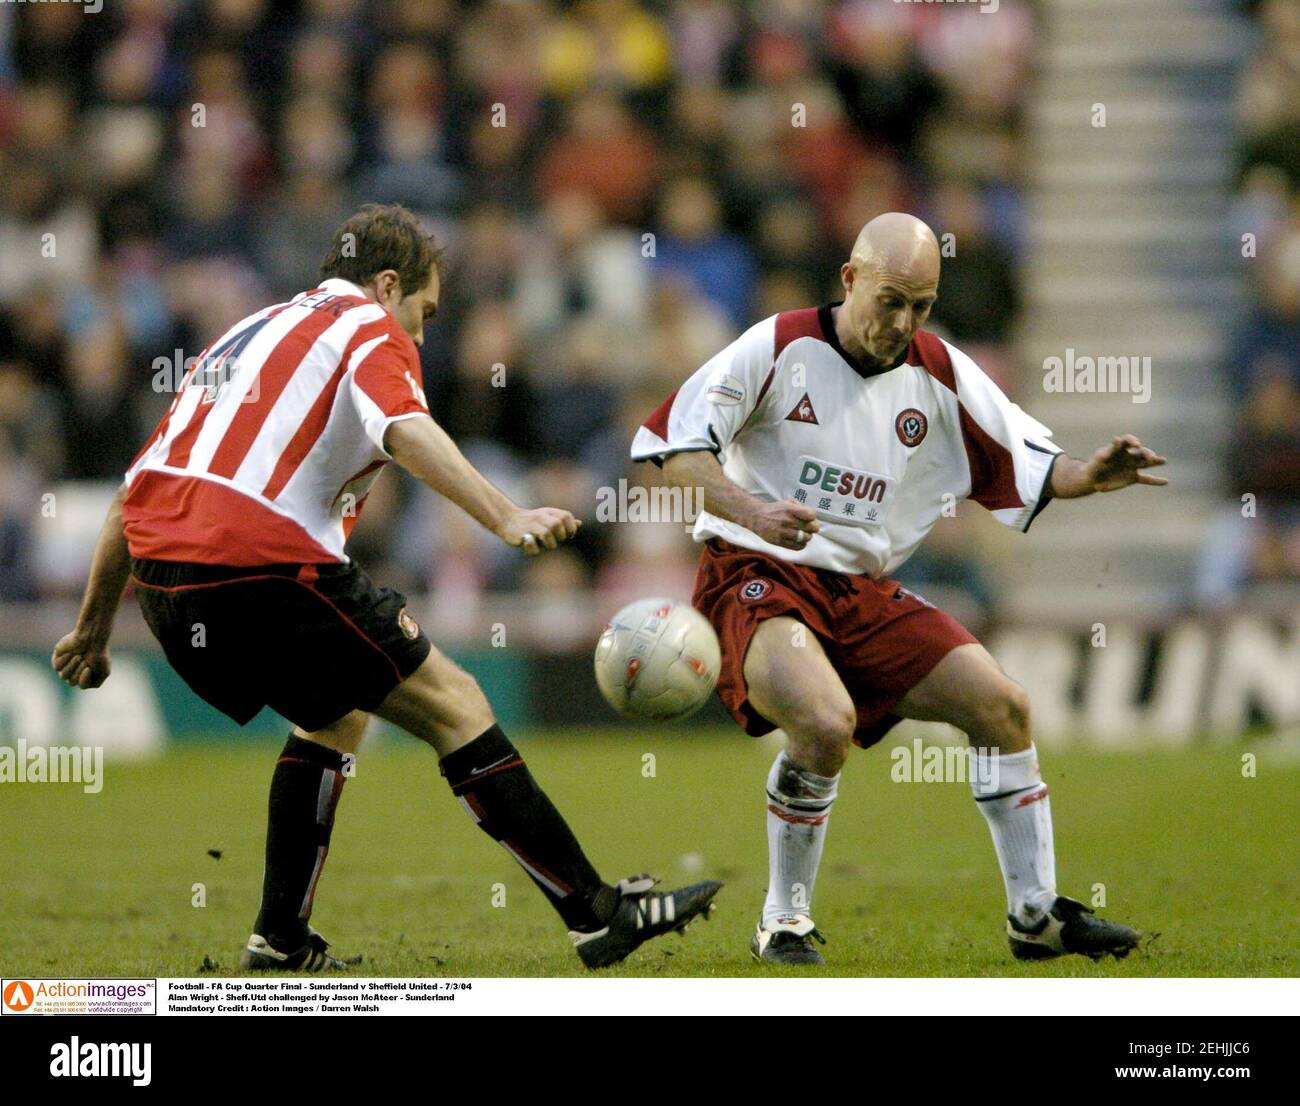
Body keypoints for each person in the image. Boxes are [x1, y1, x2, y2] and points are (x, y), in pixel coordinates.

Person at [53, 203, 719, 972]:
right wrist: (504, 515)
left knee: (333, 716)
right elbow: (405, 428)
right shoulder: (367, 325)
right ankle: (597, 914)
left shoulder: (240, 336)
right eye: (425, 313)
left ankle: (281, 940)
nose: (423, 335)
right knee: (456, 704)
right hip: (263, 561)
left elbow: (130, 493)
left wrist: (93, 629)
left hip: (168, 585)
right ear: (389, 283)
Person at [633, 212, 1165, 965]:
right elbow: (672, 450)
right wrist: (753, 509)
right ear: (850, 279)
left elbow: (1030, 462)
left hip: (861, 590)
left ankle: (1035, 915)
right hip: (753, 572)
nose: (903, 321)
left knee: (1003, 707)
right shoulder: (778, 344)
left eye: (921, 305)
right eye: (890, 300)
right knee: (822, 723)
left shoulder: (938, 370)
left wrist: (1090, 477)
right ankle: (782, 921)